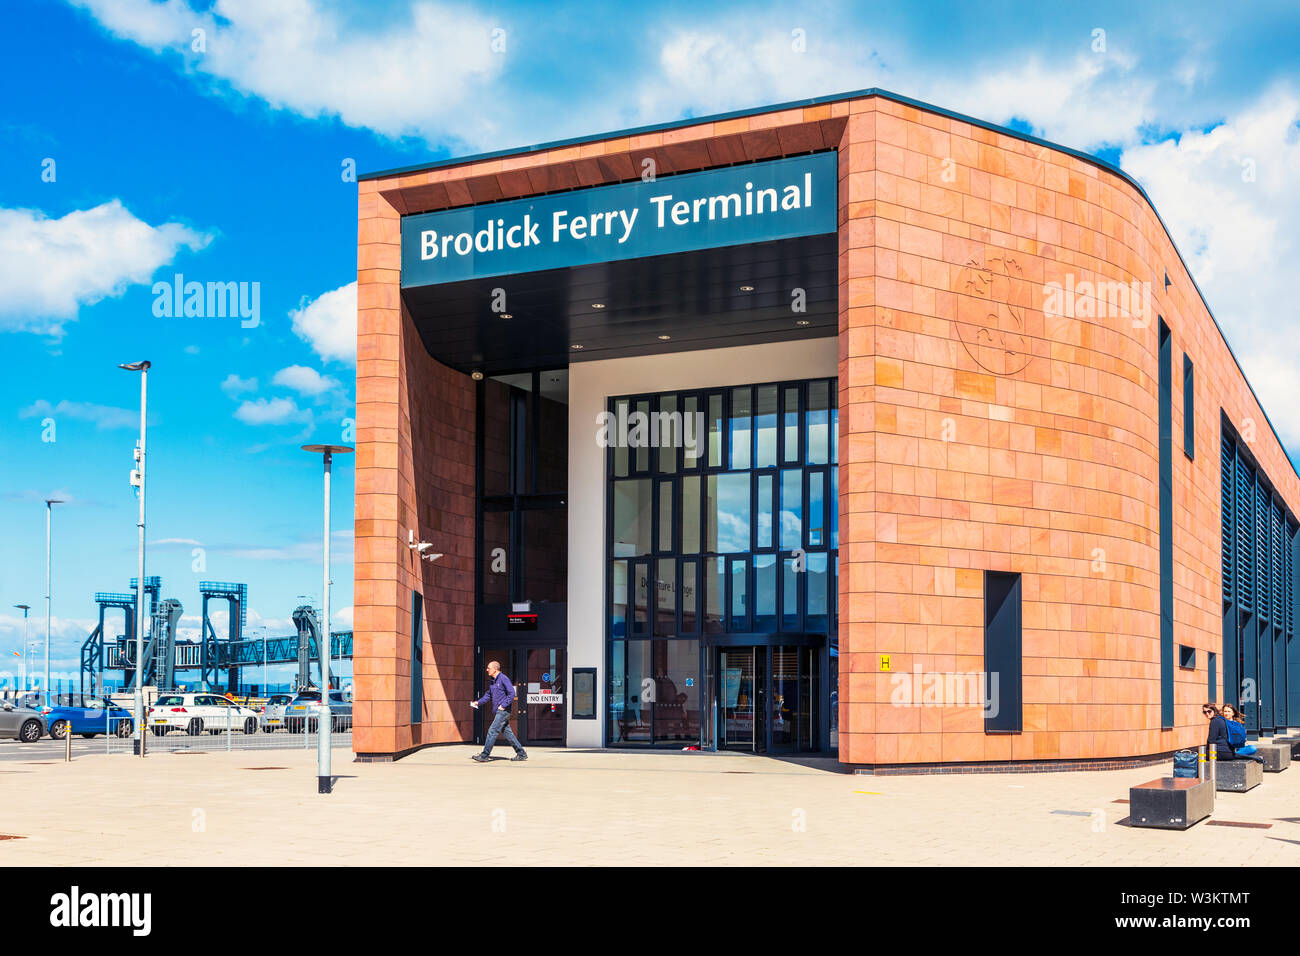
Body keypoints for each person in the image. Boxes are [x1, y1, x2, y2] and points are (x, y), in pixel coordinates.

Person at [470, 660, 527, 762]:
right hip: (498, 711)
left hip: (503, 711)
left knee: (492, 731)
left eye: (489, 668)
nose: (487, 670)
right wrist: (478, 702)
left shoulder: (503, 678)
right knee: (508, 733)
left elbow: (512, 693)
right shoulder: (493, 681)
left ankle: (484, 755)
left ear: (495, 668)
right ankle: (521, 753)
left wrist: (503, 706)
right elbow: (488, 695)